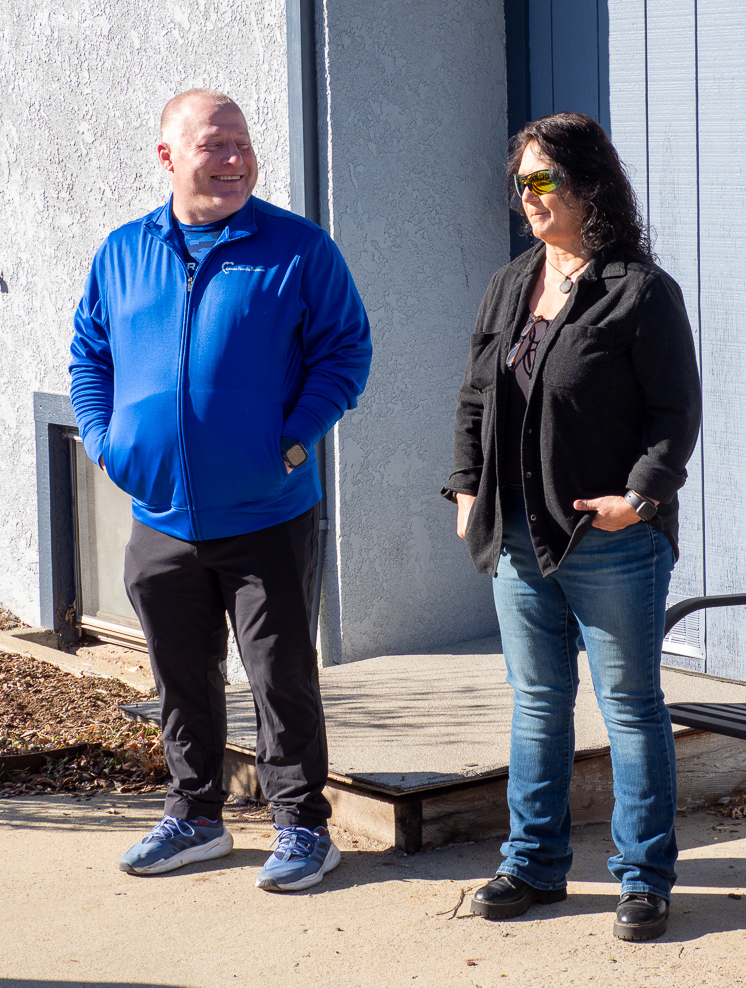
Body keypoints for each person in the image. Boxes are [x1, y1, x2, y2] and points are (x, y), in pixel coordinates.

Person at [70, 89, 371, 891]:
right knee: (178, 673)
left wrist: (294, 438)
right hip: (158, 512)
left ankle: (303, 827)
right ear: (169, 156)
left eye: (243, 143)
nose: (235, 158)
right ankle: (195, 815)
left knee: (279, 675)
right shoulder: (123, 251)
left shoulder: (297, 249)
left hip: (265, 510)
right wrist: (104, 443)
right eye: (215, 145)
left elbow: (345, 350)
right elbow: (88, 355)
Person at [442, 112, 701, 941]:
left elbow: (673, 413)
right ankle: (532, 865)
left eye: (542, 179)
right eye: (519, 182)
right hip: (515, 536)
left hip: (611, 540)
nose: (527, 197)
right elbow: (478, 396)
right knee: (537, 705)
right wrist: (463, 488)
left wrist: (641, 498)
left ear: (590, 185)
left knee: (629, 707)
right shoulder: (511, 282)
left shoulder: (640, 290)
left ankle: (643, 877)